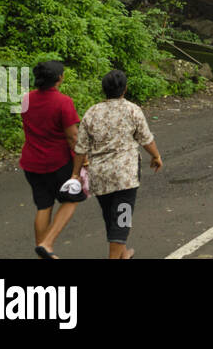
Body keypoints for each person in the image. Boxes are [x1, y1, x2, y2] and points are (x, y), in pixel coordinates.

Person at [72, 70, 163, 260]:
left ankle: (123, 253)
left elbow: (80, 148)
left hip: (100, 174)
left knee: (111, 217)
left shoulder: (92, 112)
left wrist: (75, 173)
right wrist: (155, 156)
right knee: (123, 217)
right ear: (125, 89)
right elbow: (145, 139)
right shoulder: (132, 110)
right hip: (125, 175)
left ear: (103, 90)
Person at [20, 60, 82, 260]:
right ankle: (47, 245)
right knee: (71, 199)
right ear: (59, 78)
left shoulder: (26, 99)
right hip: (58, 162)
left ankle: (42, 253)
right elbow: (73, 137)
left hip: (31, 161)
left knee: (43, 205)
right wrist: (84, 160)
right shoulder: (64, 102)